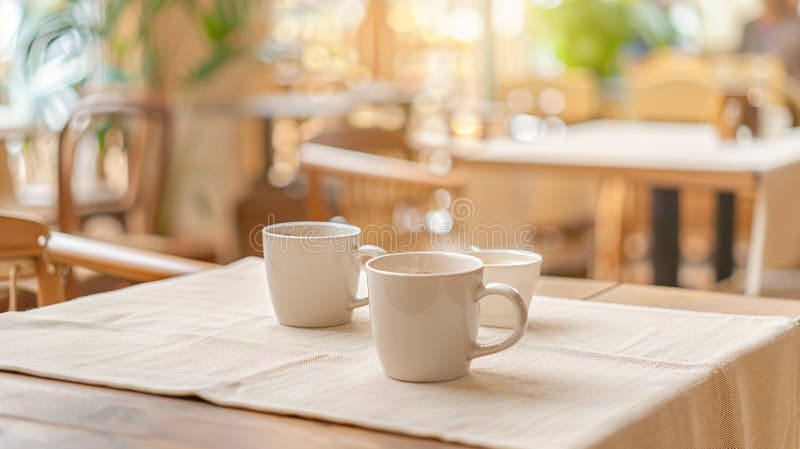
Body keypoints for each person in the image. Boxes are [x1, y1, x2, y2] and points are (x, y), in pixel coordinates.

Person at [741, 0, 800, 79]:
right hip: (753, 81)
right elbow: (741, 58)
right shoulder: (749, 27)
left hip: (785, 83)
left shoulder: (794, 27)